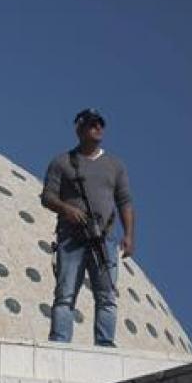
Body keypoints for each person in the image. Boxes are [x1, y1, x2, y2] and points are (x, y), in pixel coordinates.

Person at [40, 108, 135, 346]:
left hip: (104, 240)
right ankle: (60, 342)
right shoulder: (62, 162)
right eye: (92, 124)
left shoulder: (115, 165)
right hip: (71, 240)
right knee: (65, 295)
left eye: (100, 124)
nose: (98, 128)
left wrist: (129, 235)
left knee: (107, 297)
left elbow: (124, 201)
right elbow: (47, 197)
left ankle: (104, 344)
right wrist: (67, 209)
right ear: (79, 129)